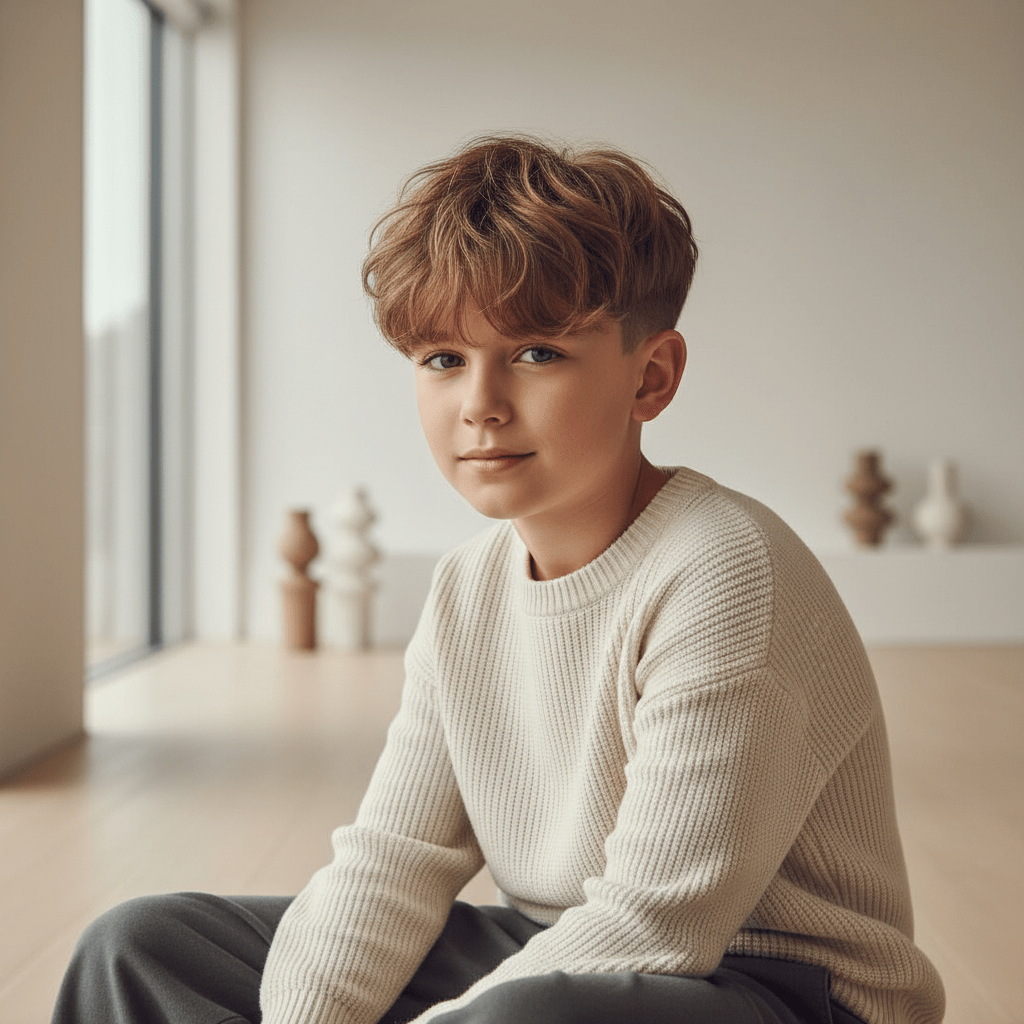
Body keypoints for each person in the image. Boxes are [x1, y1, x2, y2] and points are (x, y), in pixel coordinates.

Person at [52, 136, 945, 1024]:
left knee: (522, 1019)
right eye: (443, 359)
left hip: (776, 989)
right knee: (136, 948)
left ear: (653, 377)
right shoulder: (466, 590)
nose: (479, 401)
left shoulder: (725, 570)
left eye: (536, 354)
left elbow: (655, 923)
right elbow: (394, 859)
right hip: (555, 950)